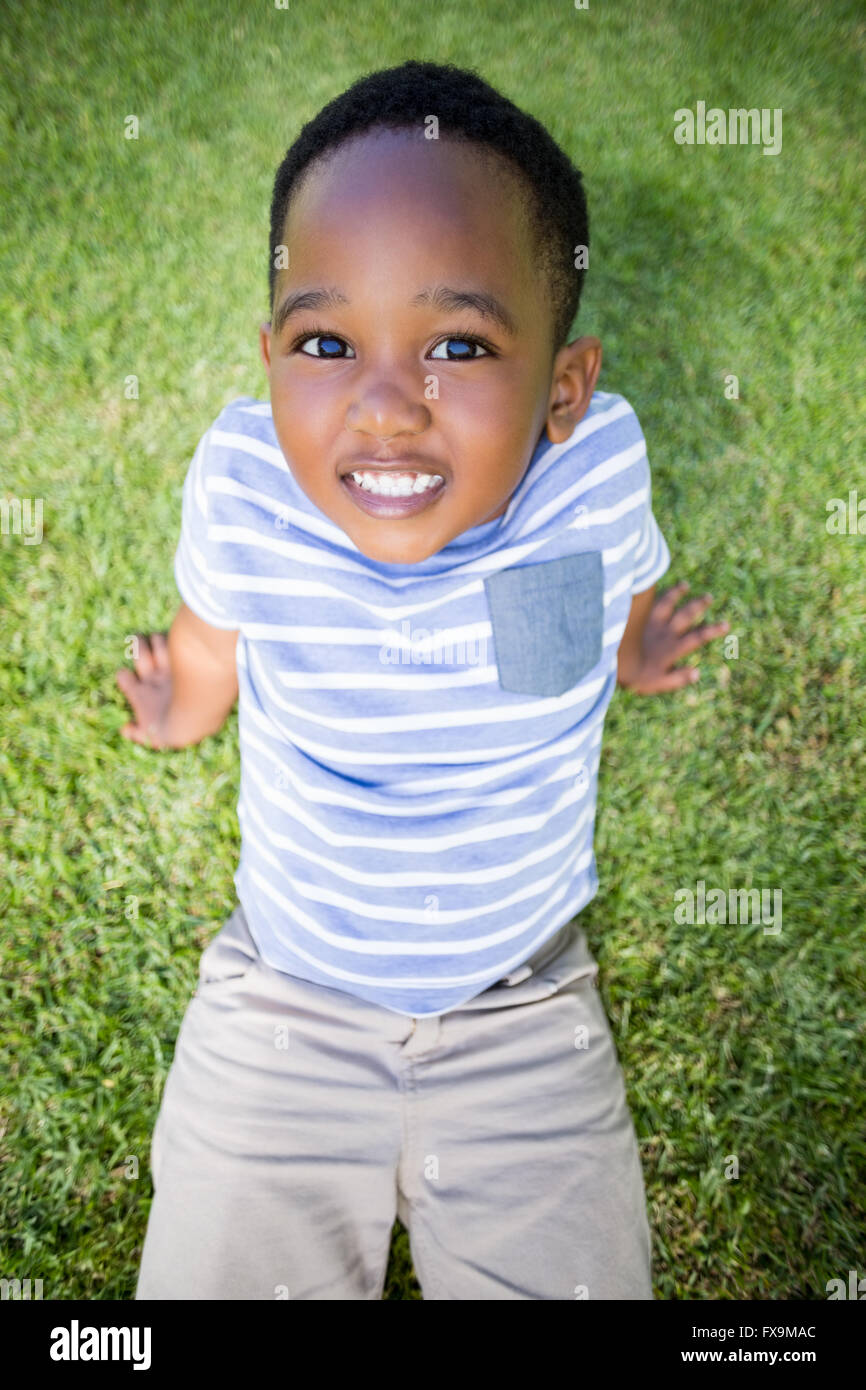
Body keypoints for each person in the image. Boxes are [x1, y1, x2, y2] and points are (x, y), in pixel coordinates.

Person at [119, 60, 729, 1300]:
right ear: (271, 356)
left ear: (562, 387)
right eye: (327, 341)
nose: (386, 404)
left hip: (523, 1004)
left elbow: (590, 600)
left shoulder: (592, 480)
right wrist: (182, 702)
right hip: (284, 997)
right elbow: (209, 637)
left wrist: (629, 651)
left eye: (457, 342)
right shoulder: (245, 489)